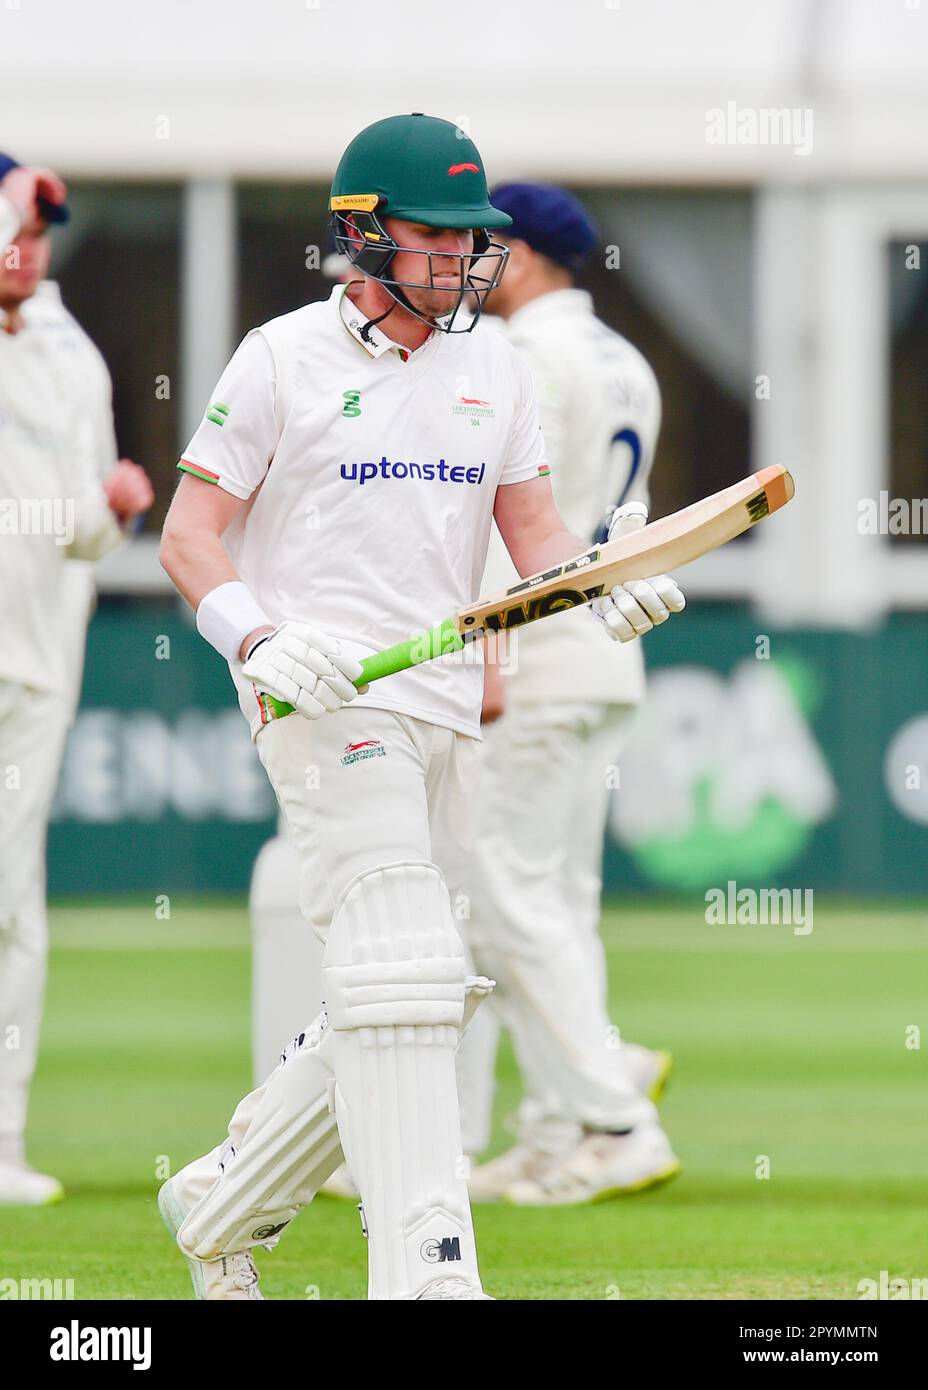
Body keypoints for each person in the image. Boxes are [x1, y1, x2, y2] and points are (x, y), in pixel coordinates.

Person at [157, 113, 685, 1301]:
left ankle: (223, 1195)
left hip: (447, 706)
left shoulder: (495, 369)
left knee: (409, 984)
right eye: (434, 235)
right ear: (361, 232)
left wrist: (601, 588)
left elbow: (536, 535)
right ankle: (428, 1275)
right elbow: (189, 538)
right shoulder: (281, 355)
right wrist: (262, 638)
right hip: (321, 694)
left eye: (473, 239)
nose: (461, 259)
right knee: (402, 957)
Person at [458, 183, 680, 1205]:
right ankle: (552, 1136)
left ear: (528, 257)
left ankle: (615, 1115)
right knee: (560, 904)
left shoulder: (521, 358)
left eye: (487, 248)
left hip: (537, 656)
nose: (471, 264)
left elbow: (512, 511)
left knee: (506, 898)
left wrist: (487, 653)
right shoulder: (623, 358)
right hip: (603, 656)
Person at [0, 156, 153, 1204]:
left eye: (39, 230)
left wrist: (118, 505)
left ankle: (1, 1140)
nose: (26, 246)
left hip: (35, 662)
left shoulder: (68, 351)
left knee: (14, 904)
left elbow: (84, 529)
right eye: (10, 226)